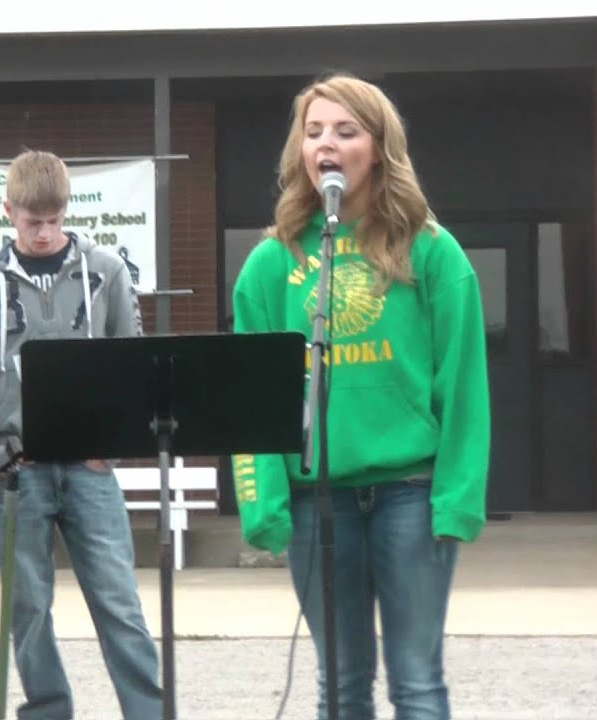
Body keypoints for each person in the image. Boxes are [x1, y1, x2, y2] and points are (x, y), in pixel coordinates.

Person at [230, 72, 491, 720]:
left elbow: (462, 382)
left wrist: (458, 498)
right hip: (318, 501)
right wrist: (261, 498)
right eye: (313, 131)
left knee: (417, 685)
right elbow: (251, 395)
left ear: (377, 147)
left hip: (410, 493)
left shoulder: (430, 251)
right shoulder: (272, 263)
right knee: (341, 688)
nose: (327, 144)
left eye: (345, 131)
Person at [0, 149, 162, 720]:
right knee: (28, 607)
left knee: (120, 603)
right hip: (19, 471)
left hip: (89, 469)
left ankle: (148, 711)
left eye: (54, 220)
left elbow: (133, 368)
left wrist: (112, 446)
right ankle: (48, 710)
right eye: (32, 221)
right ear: (8, 211)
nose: (44, 233)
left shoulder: (107, 271)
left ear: (67, 210)